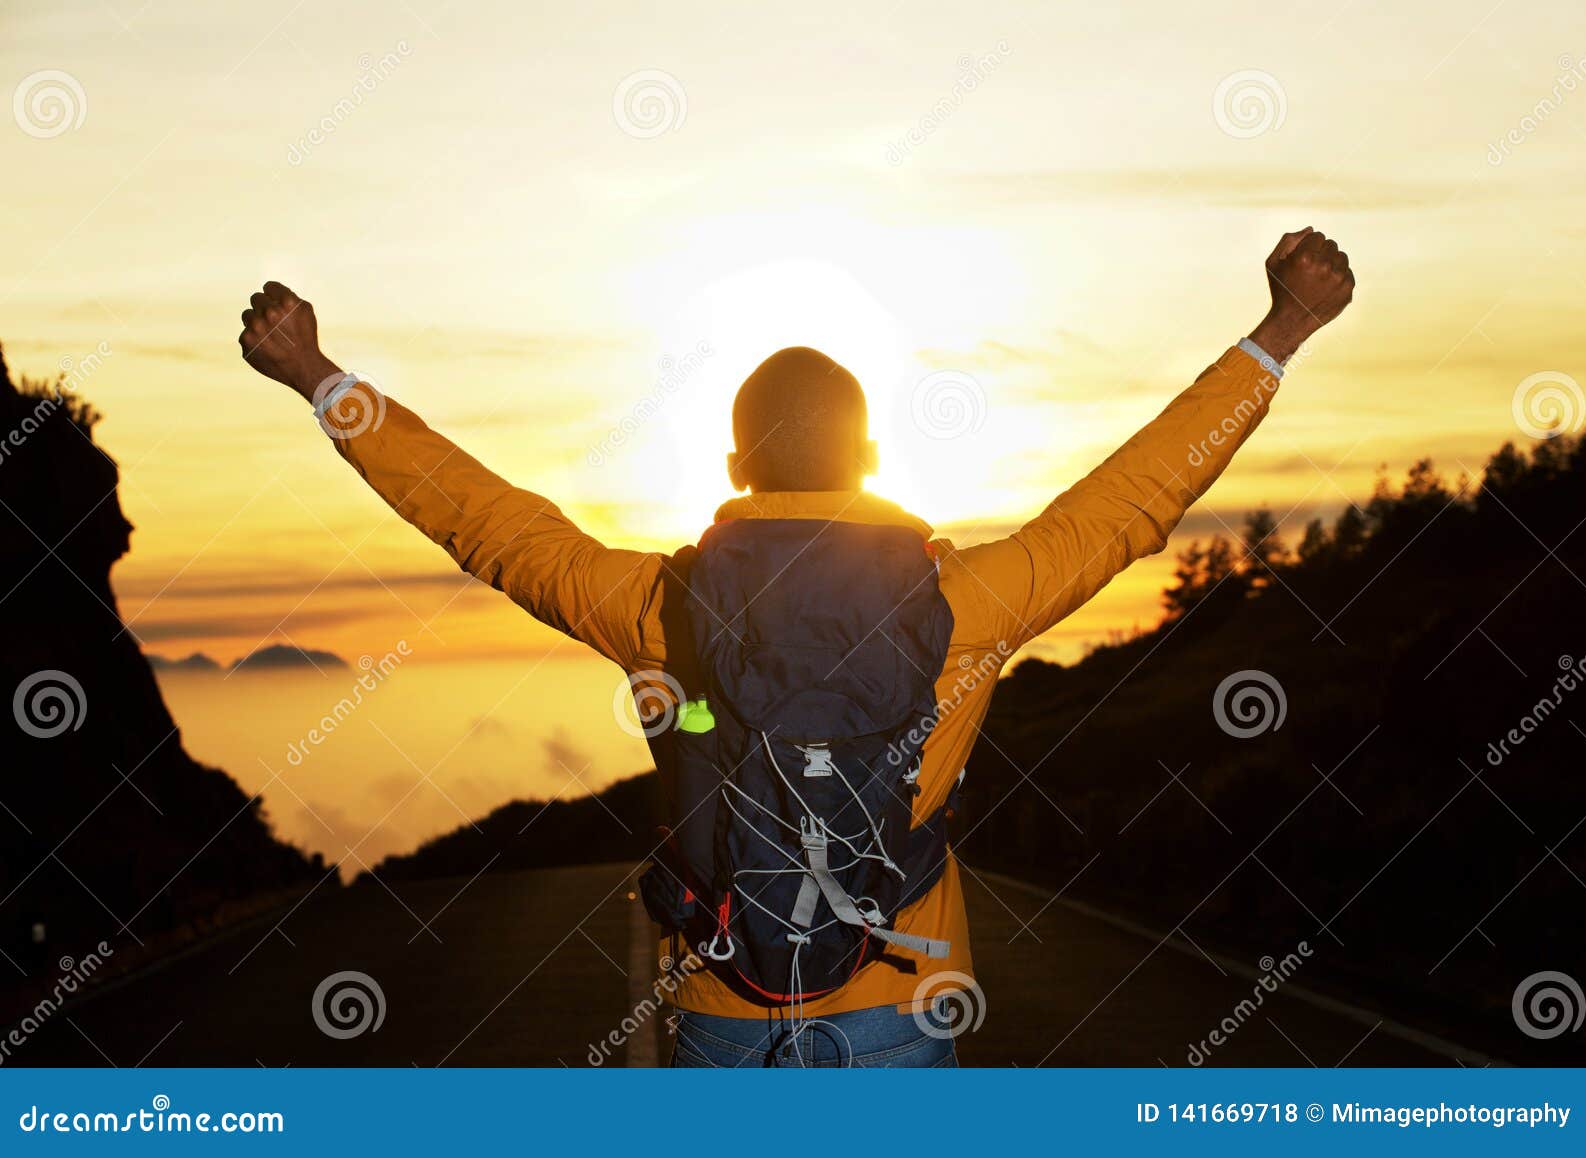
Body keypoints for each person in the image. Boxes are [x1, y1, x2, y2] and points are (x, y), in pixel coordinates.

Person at [237, 227, 1354, 1066]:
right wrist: (1280, 332)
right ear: (869, 456)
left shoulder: (661, 609)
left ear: (731, 470)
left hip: (722, 1026)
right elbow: (1127, 502)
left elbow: (488, 523)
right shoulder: (961, 605)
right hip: (904, 1019)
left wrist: (320, 379)